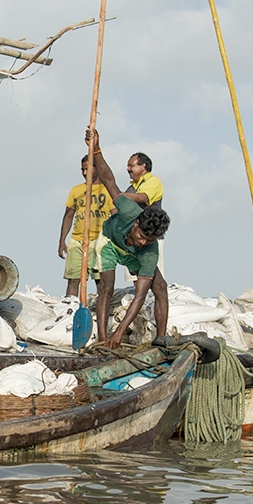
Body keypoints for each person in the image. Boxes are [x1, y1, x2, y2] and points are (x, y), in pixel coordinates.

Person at [84, 130, 172, 348]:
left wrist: (121, 332)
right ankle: (103, 339)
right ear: (136, 223)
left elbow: (140, 296)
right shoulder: (126, 208)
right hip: (111, 243)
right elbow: (107, 178)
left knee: (159, 286)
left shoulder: (148, 251)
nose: (143, 241)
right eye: (142, 236)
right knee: (106, 287)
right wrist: (96, 149)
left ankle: (160, 340)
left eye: (148, 240)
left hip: (133, 256)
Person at [59, 154, 113, 298]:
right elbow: (68, 216)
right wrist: (62, 241)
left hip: (99, 241)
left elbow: (115, 216)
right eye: (82, 170)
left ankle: (99, 312)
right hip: (77, 241)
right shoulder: (76, 190)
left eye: (87, 170)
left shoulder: (107, 190)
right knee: (73, 280)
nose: (84, 173)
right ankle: (70, 311)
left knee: (101, 282)